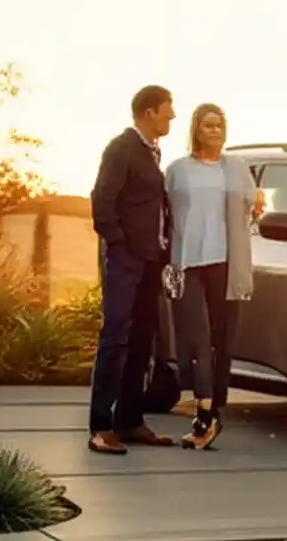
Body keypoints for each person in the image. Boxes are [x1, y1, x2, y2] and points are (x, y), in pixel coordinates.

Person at [164, 102, 261, 450]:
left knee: (222, 341)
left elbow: (254, 208)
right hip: (188, 263)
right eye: (208, 125)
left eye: (219, 125)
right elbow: (166, 215)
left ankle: (211, 414)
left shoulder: (236, 169)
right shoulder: (178, 171)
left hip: (225, 263)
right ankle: (204, 413)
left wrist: (259, 203)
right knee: (199, 338)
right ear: (196, 131)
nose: (215, 131)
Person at [87, 85, 178, 455]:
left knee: (142, 340)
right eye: (167, 109)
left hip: (149, 261)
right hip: (126, 260)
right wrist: (119, 244)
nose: (172, 115)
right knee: (116, 338)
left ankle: (130, 421)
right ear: (148, 112)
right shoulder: (122, 148)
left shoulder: (151, 152)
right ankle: (100, 426)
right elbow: (102, 200)